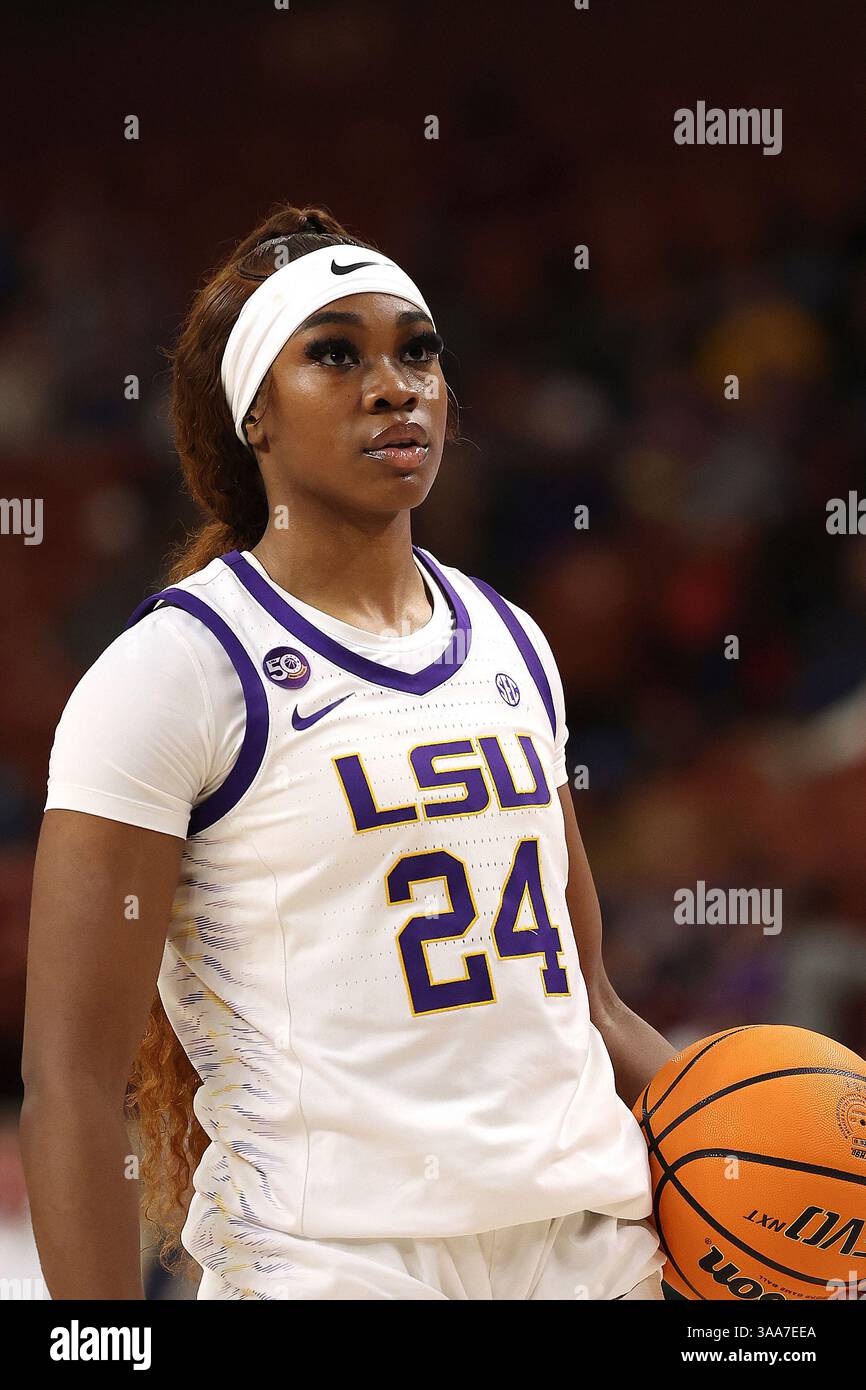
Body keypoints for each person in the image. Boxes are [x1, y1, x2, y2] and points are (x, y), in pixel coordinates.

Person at [21, 203, 675, 1300]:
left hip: (588, 1250)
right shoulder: (176, 671)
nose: (393, 386)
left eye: (417, 353)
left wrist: (773, 1128)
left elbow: (592, 1002)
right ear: (255, 416)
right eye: (335, 355)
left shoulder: (511, 641)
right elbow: (72, 1080)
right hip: (335, 1266)